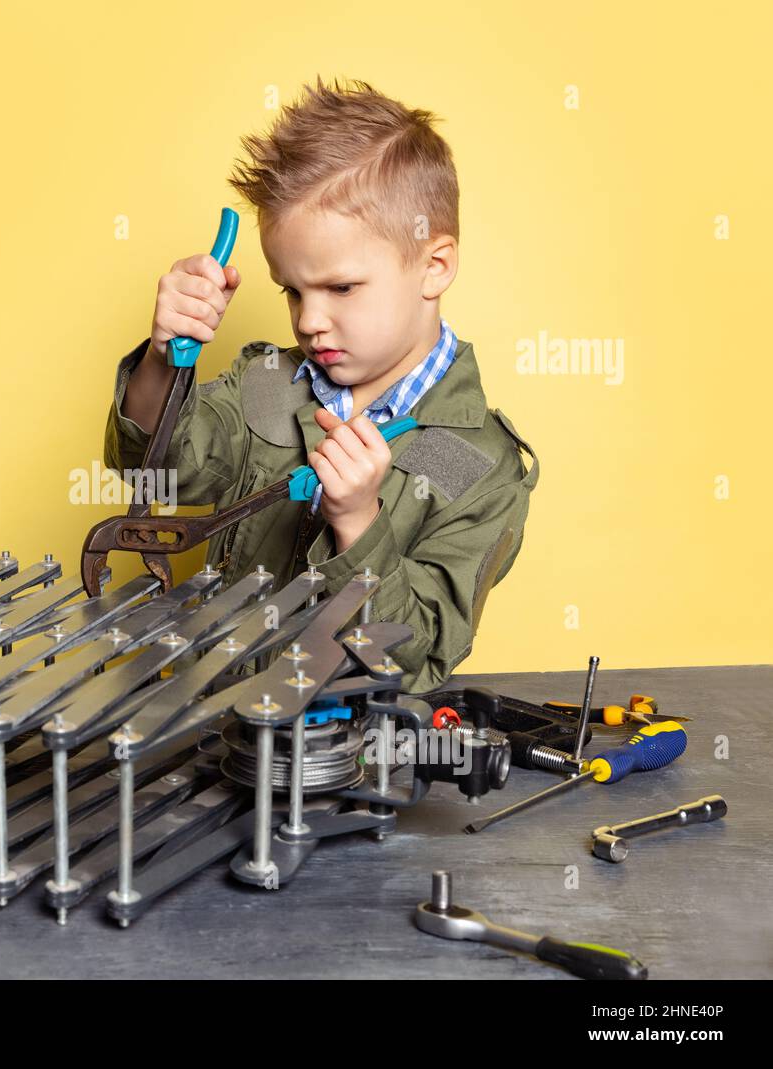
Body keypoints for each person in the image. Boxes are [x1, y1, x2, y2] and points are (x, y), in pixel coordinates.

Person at [103, 77, 539, 694]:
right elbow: (157, 470)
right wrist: (161, 357)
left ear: (433, 267)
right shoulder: (271, 386)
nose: (308, 321)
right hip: (216, 729)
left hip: (352, 762)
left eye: (340, 288)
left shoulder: (474, 462)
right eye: (292, 290)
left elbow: (413, 657)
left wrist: (359, 522)